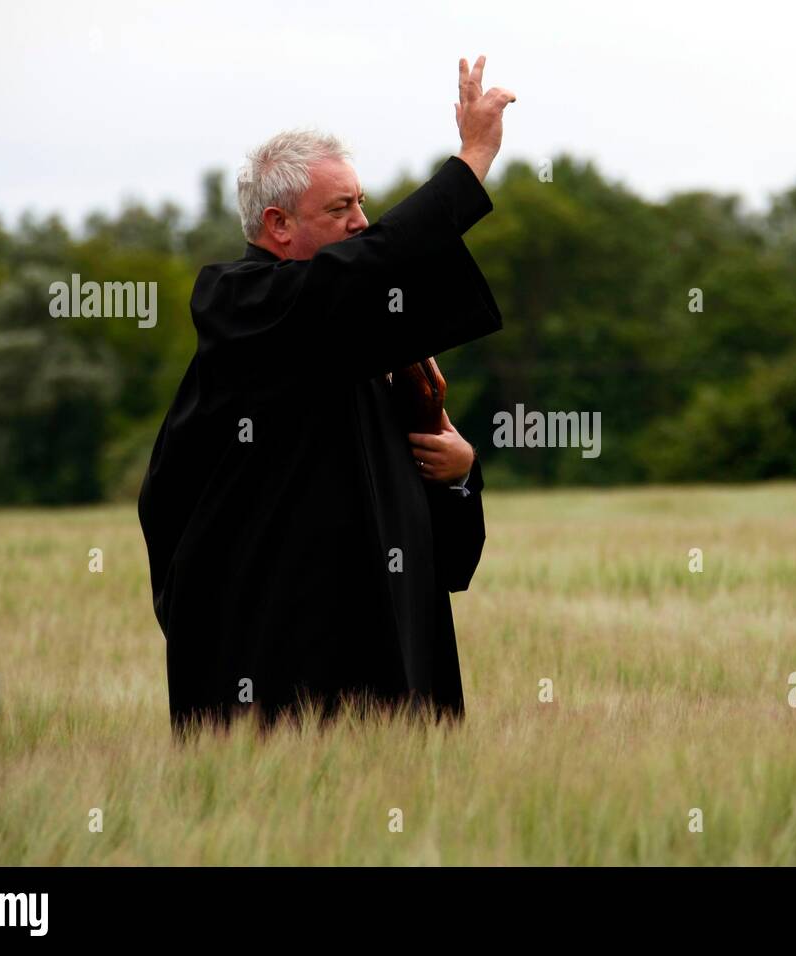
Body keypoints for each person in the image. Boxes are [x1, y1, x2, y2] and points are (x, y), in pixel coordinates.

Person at [137, 56, 516, 736]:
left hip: (390, 671)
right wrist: (472, 159)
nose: (362, 222)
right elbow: (371, 265)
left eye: (362, 202)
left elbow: (449, 565)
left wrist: (459, 475)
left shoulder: (368, 339)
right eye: (341, 207)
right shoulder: (242, 307)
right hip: (267, 661)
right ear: (278, 225)